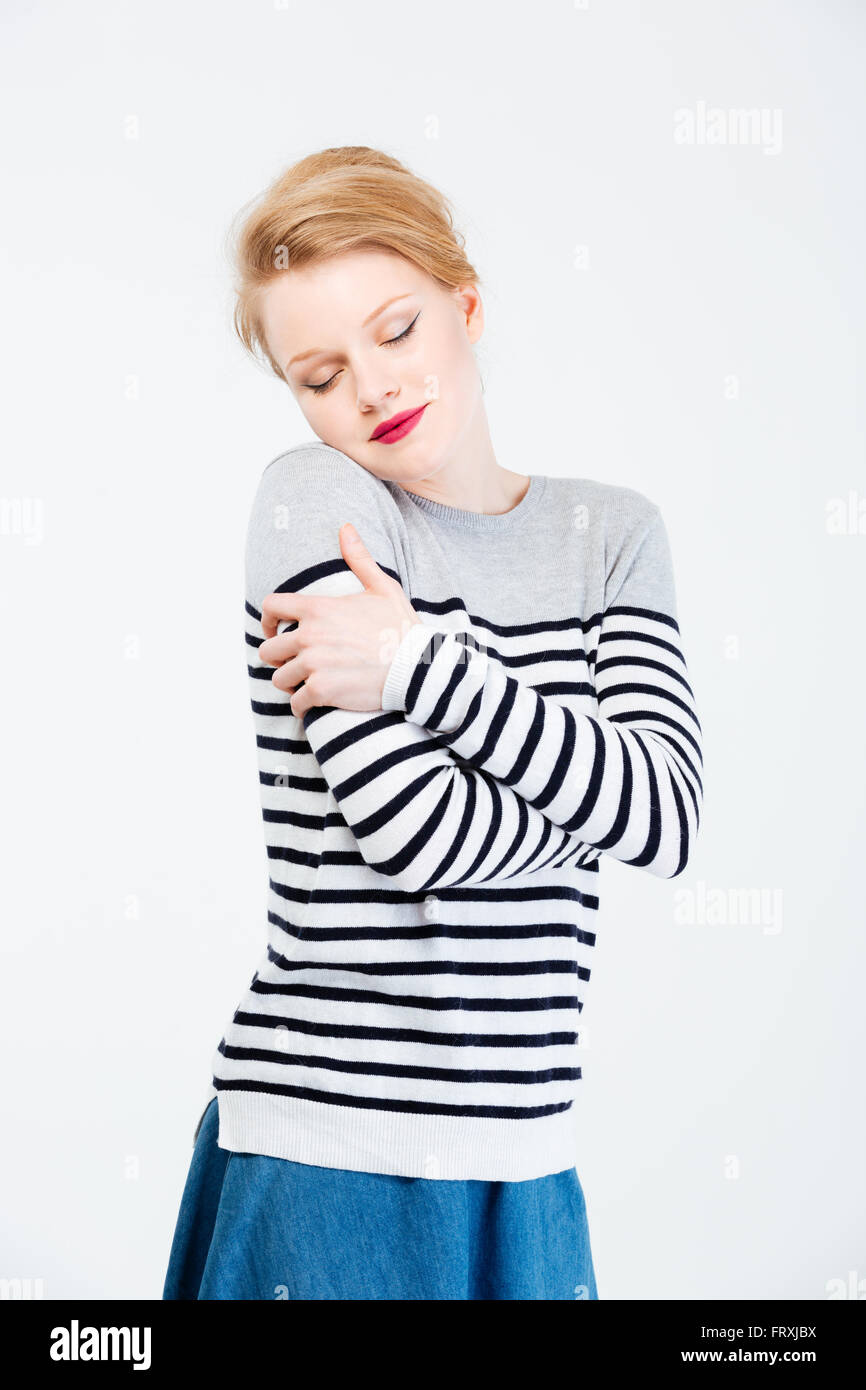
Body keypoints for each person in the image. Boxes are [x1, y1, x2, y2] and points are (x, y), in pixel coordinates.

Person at [162, 145, 703, 1301]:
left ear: (465, 306)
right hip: (327, 1155)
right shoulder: (318, 503)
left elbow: (667, 818)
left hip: (528, 1154)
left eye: (396, 329)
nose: (369, 389)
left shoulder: (611, 535)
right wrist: (597, 794)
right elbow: (419, 835)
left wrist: (414, 660)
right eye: (320, 374)